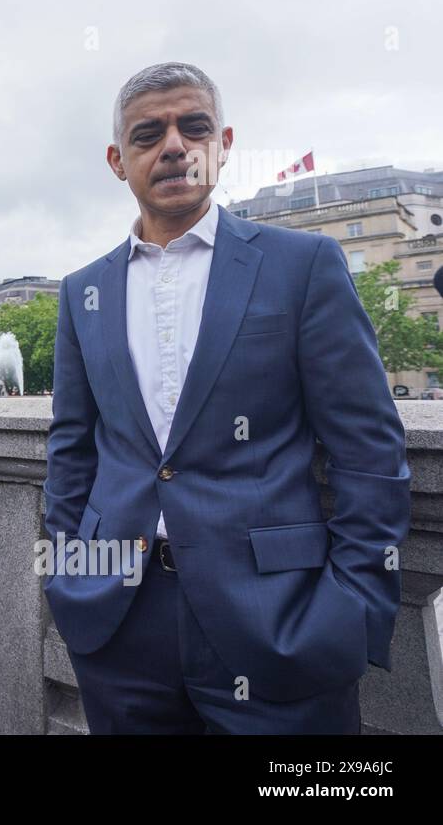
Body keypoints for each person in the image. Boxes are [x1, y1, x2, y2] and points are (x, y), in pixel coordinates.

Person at [42, 61, 411, 733]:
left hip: (279, 618)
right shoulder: (82, 291)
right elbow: (72, 450)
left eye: (195, 126)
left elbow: (369, 449)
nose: (175, 145)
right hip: (119, 623)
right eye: (148, 133)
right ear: (117, 160)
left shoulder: (303, 265)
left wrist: (352, 603)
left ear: (224, 142)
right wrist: (69, 579)